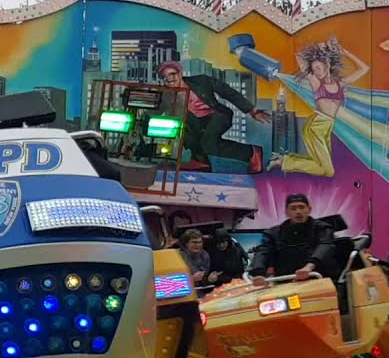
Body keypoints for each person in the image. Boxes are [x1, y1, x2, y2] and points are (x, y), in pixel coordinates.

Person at [269, 37, 368, 178]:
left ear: (327, 64)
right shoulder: (316, 83)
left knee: (321, 165)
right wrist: (323, 46)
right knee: (328, 171)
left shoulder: (341, 83)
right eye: (314, 69)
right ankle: (283, 161)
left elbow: (364, 68)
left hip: (326, 127)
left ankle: (284, 159)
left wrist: (344, 52)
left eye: (318, 67)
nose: (316, 72)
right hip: (316, 126)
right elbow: (298, 56)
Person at [157, 61, 271, 174]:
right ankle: (200, 160)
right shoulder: (165, 94)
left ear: (180, 72)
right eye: (164, 76)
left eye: (172, 74)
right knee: (185, 130)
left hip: (217, 116)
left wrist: (252, 111)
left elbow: (228, 92)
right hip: (195, 122)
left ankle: (251, 152)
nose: (169, 79)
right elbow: (157, 109)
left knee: (209, 144)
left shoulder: (201, 81)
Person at [249, 193, 338, 286]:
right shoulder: (273, 233)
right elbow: (263, 252)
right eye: (293, 208)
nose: (298, 211)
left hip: (319, 278)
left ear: (309, 209)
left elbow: (325, 246)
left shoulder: (323, 228)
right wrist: (258, 273)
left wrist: (309, 266)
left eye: (302, 207)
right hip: (287, 281)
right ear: (287, 212)